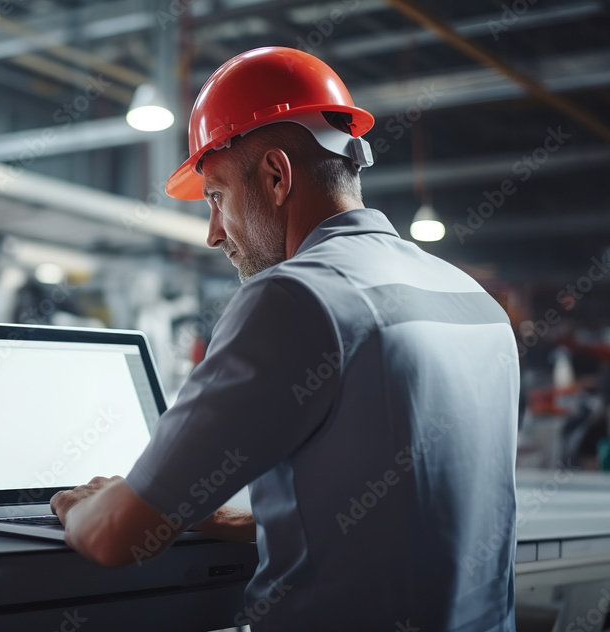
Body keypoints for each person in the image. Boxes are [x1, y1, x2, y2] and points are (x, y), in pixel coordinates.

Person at [50, 47, 519, 631]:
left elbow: (118, 539)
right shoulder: (475, 301)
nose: (213, 234)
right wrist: (216, 517)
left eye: (217, 197)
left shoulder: (295, 298)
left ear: (276, 176)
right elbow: (398, 525)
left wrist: (79, 508)